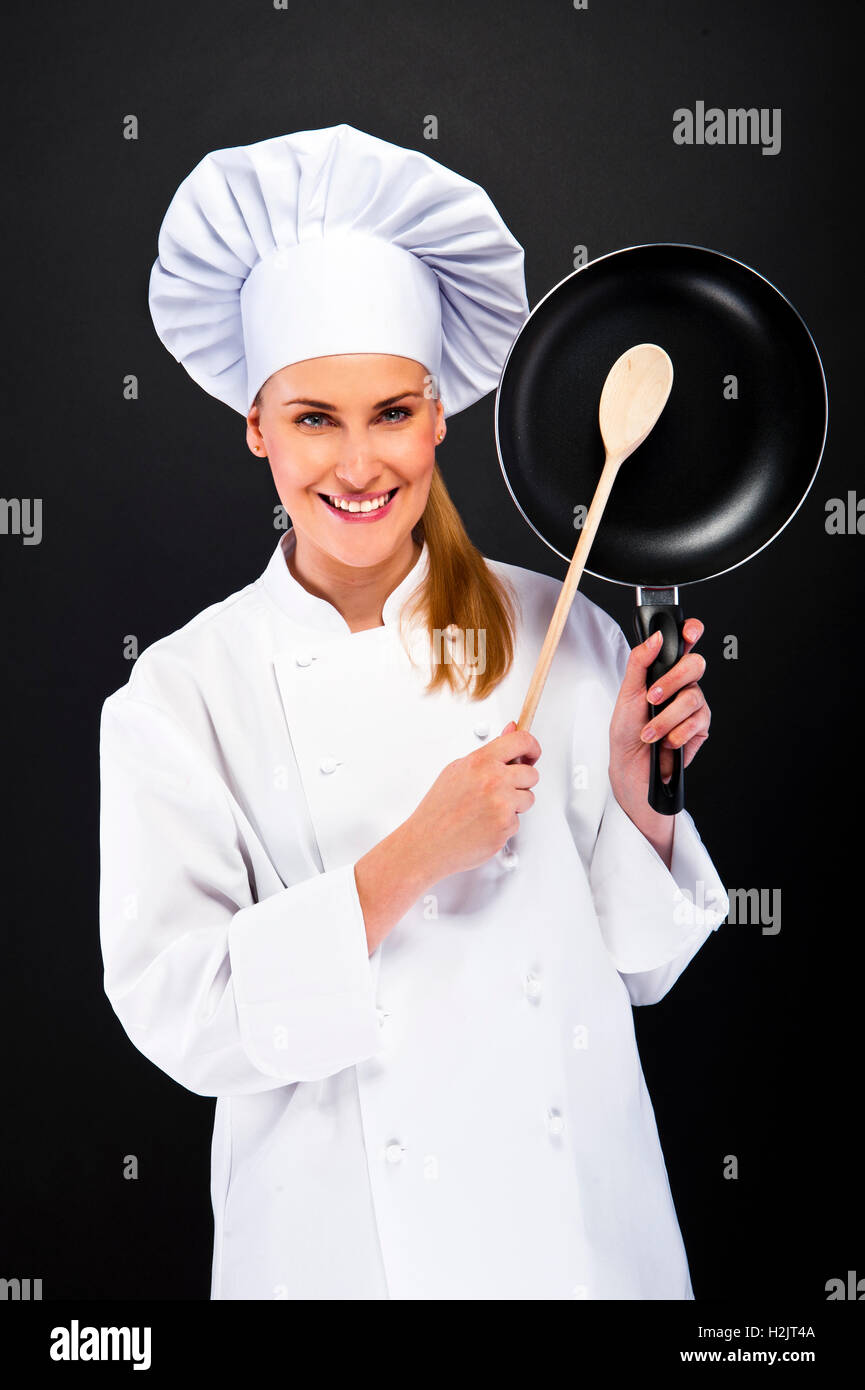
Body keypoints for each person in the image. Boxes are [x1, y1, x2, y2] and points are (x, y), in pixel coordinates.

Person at [98, 123, 729, 1301]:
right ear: (255, 427)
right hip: (340, 1260)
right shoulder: (182, 695)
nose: (357, 464)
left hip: (581, 1249)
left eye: (392, 412)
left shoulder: (565, 627)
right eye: (312, 418)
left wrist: (642, 804)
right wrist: (407, 862)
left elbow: (638, 969)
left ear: (439, 416)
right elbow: (180, 1017)